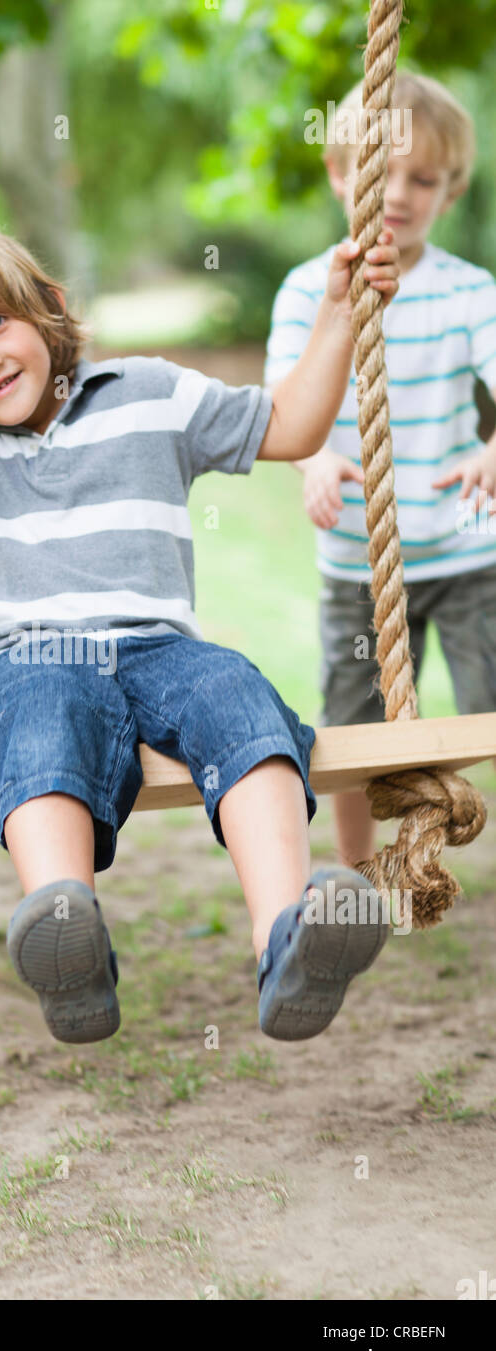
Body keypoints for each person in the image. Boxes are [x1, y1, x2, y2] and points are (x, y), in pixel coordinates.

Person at [0, 158, 400, 1044]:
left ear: (44, 303)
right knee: (48, 712)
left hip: (158, 647)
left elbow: (291, 426)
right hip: (22, 661)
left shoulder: (151, 394)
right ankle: (65, 927)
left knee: (237, 693)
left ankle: (287, 936)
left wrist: (342, 313)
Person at [266, 72, 496, 869]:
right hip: (359, 562)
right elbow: (282, 402)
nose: (397, 193)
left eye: (422, 178)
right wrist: (316, 459)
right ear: (339, 175)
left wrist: (492, 451)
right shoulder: (307, 291)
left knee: (490, 712)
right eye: (377, 171)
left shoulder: (471, 293)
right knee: (356, 728)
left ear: (451, 189)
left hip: (470, 556)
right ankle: (357, 868)